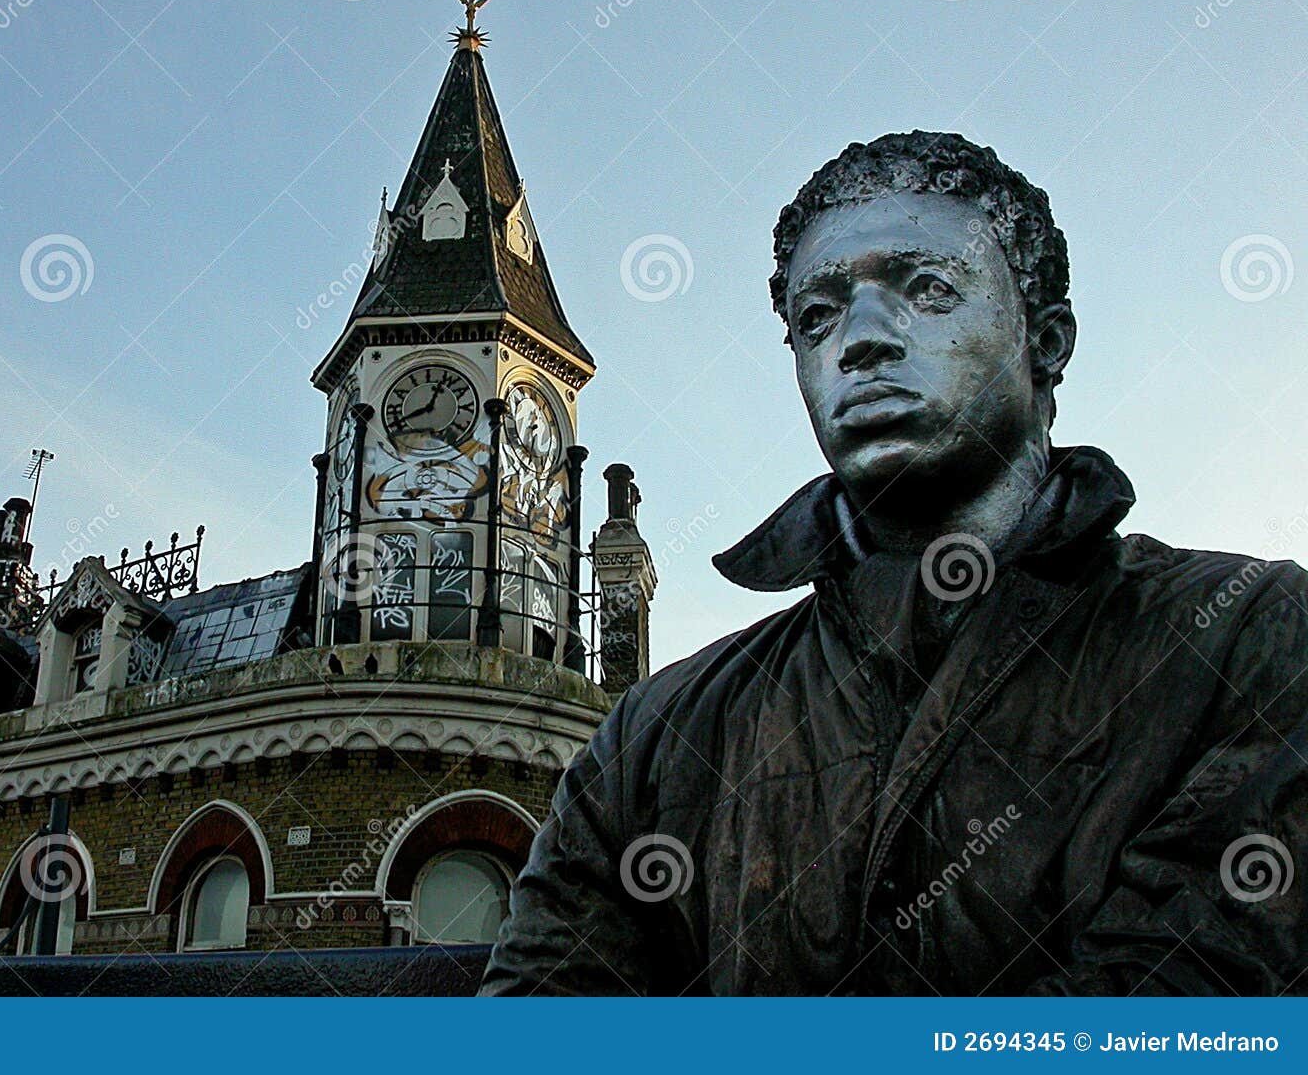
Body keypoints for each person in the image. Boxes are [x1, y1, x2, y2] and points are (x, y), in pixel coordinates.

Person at [480, 131, 1308, 995]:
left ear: (1047, 340)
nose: (862, 340)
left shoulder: (1250, 636)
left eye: (928, 289)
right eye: (818, 315)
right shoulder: (657, 733)